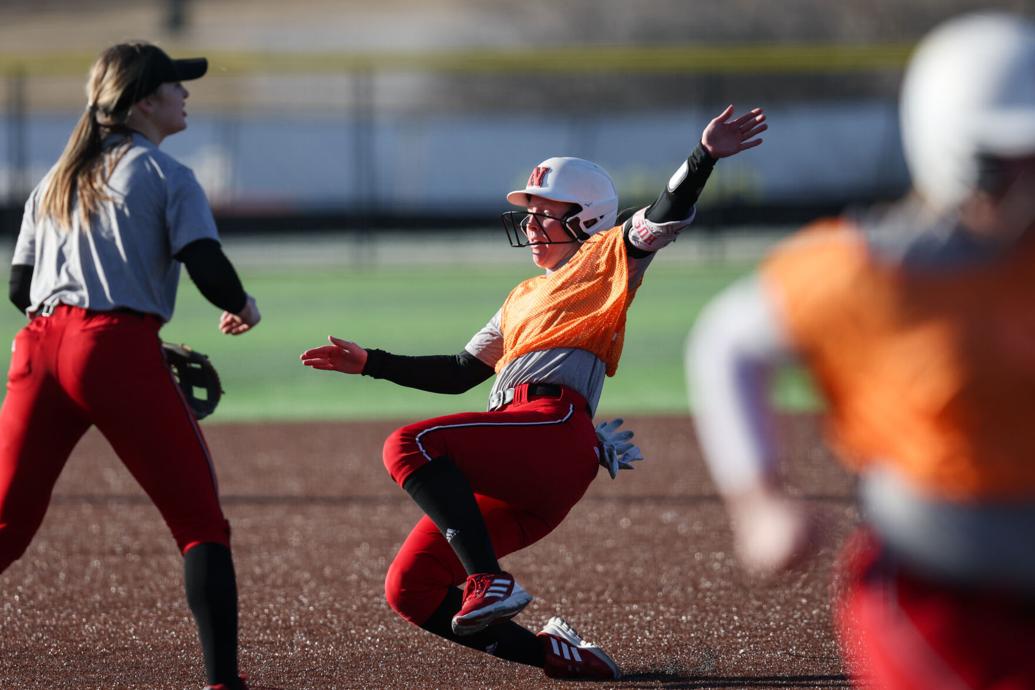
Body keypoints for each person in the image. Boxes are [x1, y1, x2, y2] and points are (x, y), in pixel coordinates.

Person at [300, 104, 766, 680]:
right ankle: (555, 655)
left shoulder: (608, 256)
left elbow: (664, 214)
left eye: (544, 213)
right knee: (410, 589)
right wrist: (372, 363)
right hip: (521, 452)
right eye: (528, 213)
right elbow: (459, 372)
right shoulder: (521, 295)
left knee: (407, 445)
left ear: (587, 219)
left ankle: (487, 580)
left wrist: (705, 156)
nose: (529, 224)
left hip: (551, 428)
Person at [686, 12, 1035, 690]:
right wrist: (759, 499)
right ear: (955, 155)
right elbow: (727, 342)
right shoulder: (870, 270)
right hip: (938, 598)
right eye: (1006, 162)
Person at [1, 43, 261, 690]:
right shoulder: (166, 174)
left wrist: (91, 330)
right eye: (175, 85)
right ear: (145, 101)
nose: (185, 94)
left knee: (7, 524)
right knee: (200, 525)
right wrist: (242, 306)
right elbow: (206, 265)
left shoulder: (54, 178)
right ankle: (223, 684)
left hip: (37, 350)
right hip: (113, 348)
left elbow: (19, 289)